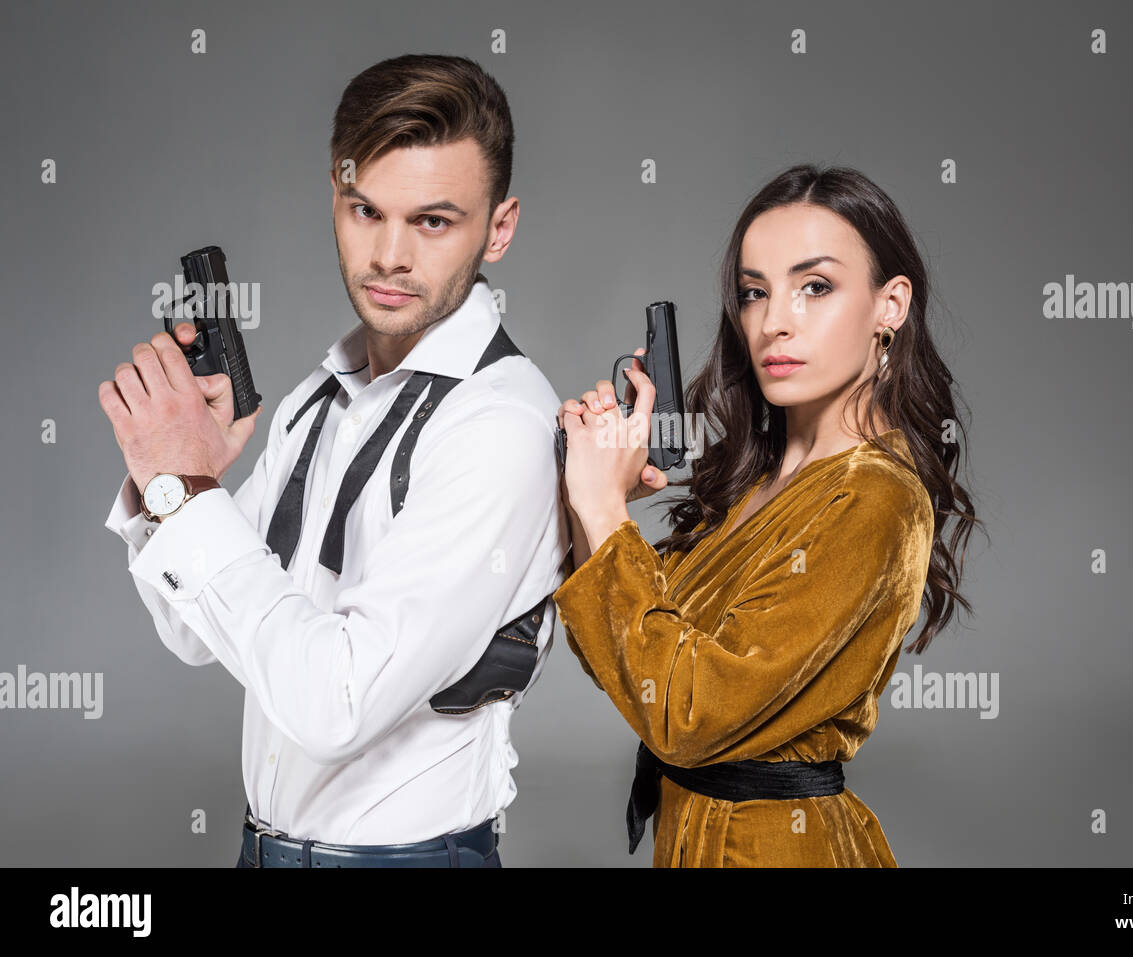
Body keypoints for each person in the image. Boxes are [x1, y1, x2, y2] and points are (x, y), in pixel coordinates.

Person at [99, 54, 568, 868]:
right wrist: (172, 480)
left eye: (433, 221)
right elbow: (191, 632)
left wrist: (189, 494)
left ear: (500, 226)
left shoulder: (500, 423)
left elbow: (335, 703)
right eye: (365, 210)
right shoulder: (321, 396)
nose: (389, 255)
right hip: (263, 849)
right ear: (336, 198)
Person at [553, 164, 981, 867]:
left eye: (816, 286)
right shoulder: (755, 476)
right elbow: (629, 663)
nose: (775, 320)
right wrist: (589, 499)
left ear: (890, 306)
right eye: (755, 292)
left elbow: (683, 715)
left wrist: (603, 510)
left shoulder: (877, 498)